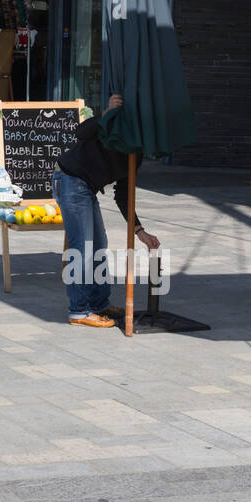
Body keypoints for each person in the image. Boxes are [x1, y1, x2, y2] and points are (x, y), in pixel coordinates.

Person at [53, 94, 161, 328]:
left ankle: (99, 303)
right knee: (83, 249)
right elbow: (80, 133)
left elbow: (123, 194)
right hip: (71, 181)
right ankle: (79, 311)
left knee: (99, 245)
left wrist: (139, 230)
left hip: (86, 188)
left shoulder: (136, 152)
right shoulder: (111, 126)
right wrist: (105, 113)